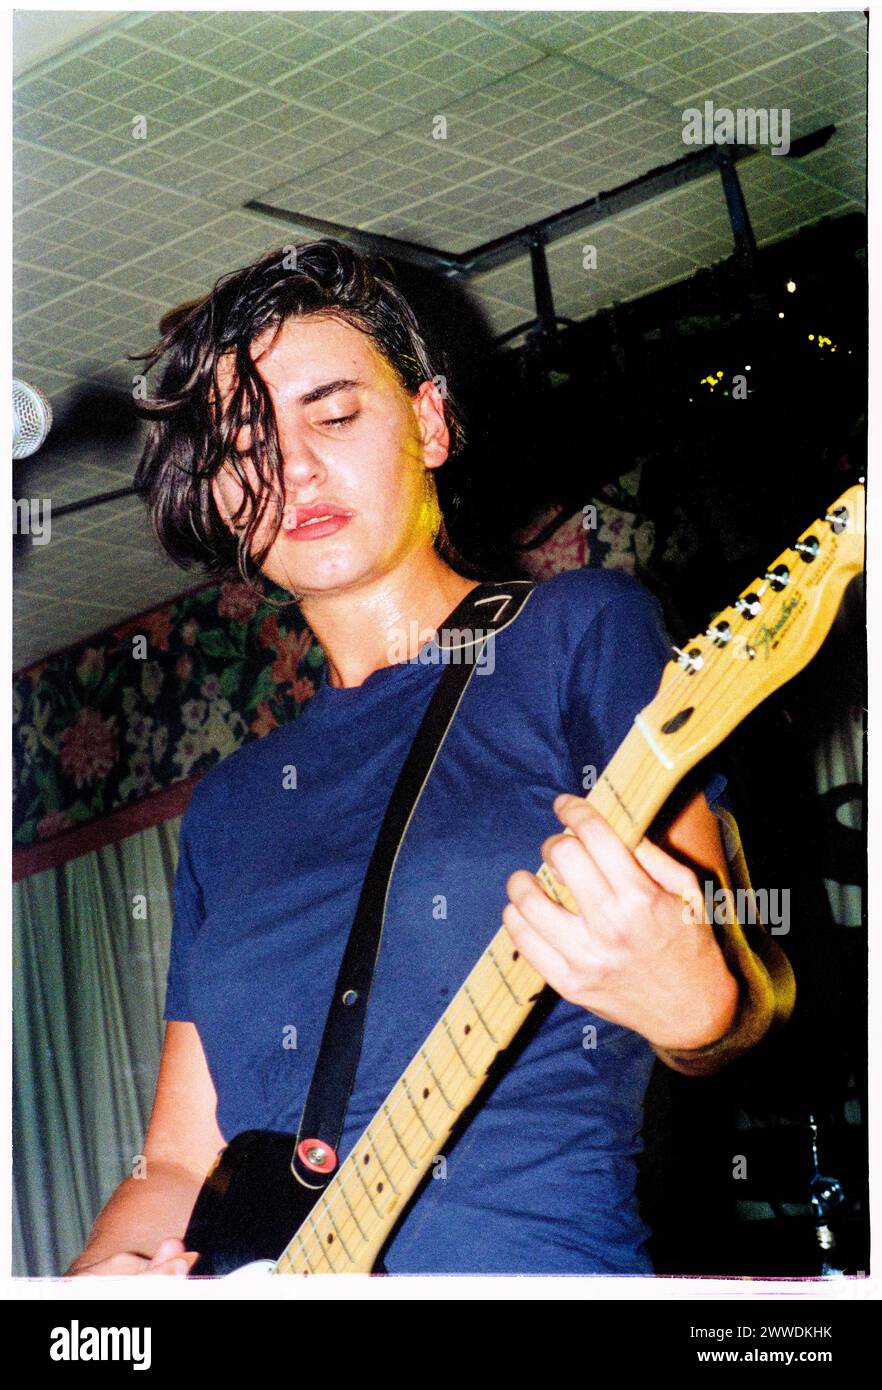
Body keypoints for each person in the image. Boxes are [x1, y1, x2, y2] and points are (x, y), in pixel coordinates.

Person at [65, 240, 793, 1277]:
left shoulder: (578, 635)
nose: (295, 465)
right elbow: (180, 1159)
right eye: (245, 441)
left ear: (431, 422)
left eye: (334, 412)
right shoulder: (229, 809)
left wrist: (699, 1001)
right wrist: (100, 1281)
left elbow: (741, 978)